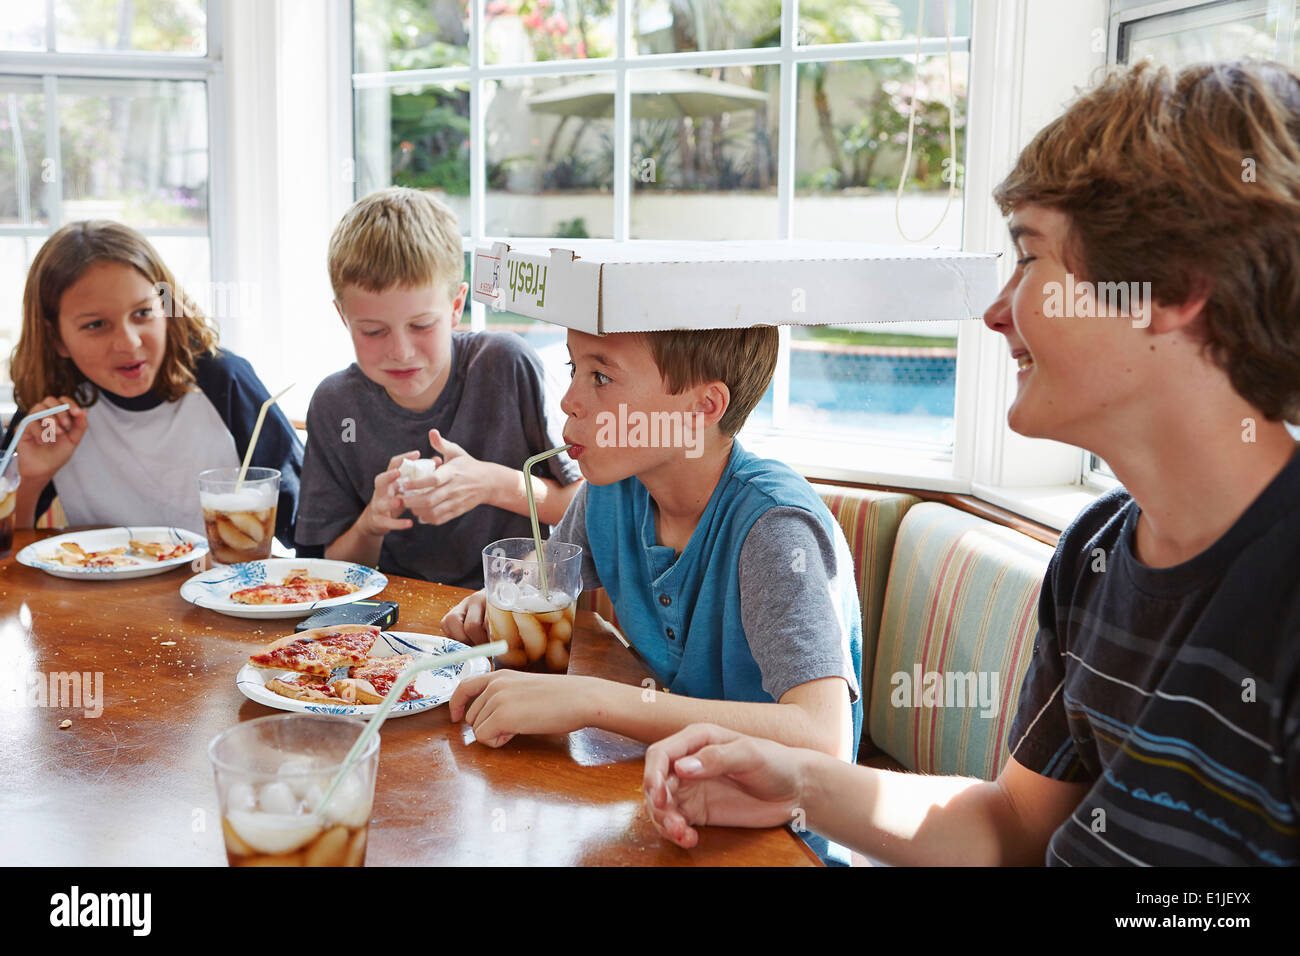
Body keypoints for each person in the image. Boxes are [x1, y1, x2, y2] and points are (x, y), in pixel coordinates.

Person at [639, 59, 1300, 866]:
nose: (995, 312)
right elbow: (1012, 825)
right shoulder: (1095, 555)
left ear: (1170, 286)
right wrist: (801, 783)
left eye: (1029, 259)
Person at [441, 325, 864, 864]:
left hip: (776, 846)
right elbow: (538, 579)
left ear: (702, 407)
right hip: (663, 814)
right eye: (573, 368)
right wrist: (494, 598)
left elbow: (822, 739)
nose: (568, 400)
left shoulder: (774, 530)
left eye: (601, 376)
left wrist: (592, 701)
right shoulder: (613, 491)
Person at [293, 187, 582, 588]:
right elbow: (325, 570)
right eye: (373, 331)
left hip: (506, 603)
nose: (400, 351)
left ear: (456, 306)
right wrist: (371, 523)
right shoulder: (335, 405)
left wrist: (491, 484)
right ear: (343, 317)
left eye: (421, 325)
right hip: (388, 617)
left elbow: (588, 509)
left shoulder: (505, 366)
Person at [3, 220, 302, 543]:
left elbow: (304, 524)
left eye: (143, 313)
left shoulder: (223, 381)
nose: (129, 342)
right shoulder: (49, 410)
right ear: (56, 338)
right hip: (103, 577)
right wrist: (32, 478)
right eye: (96, 325)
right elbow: (8, 551)